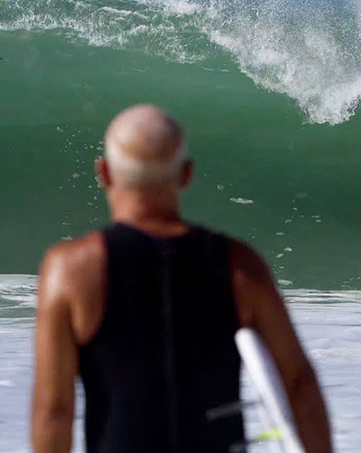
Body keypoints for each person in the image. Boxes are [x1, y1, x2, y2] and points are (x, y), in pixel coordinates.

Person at [31, 104, 333, 453]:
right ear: (186, 174)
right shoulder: (239, 266)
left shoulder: (72, 271)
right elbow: (298, 383)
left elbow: (54, 411)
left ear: (105, 173)